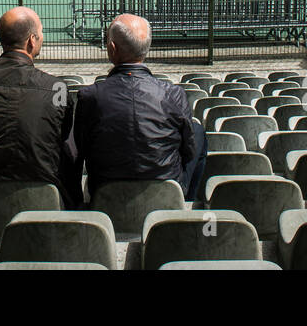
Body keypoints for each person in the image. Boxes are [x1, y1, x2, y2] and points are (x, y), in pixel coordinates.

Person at [74, 13, 207, 203]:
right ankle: (186, 204)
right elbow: (188, 150)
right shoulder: (174, 94)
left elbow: (81, 150)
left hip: (105, 192)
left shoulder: (90, 96)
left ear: (112, 49)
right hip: (165, 191)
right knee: (197, 131)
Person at [0, 6, 80, 206]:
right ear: (31, 41)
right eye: (41, 33)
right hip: (44, 197)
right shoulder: (57, 88)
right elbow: (65, 140)